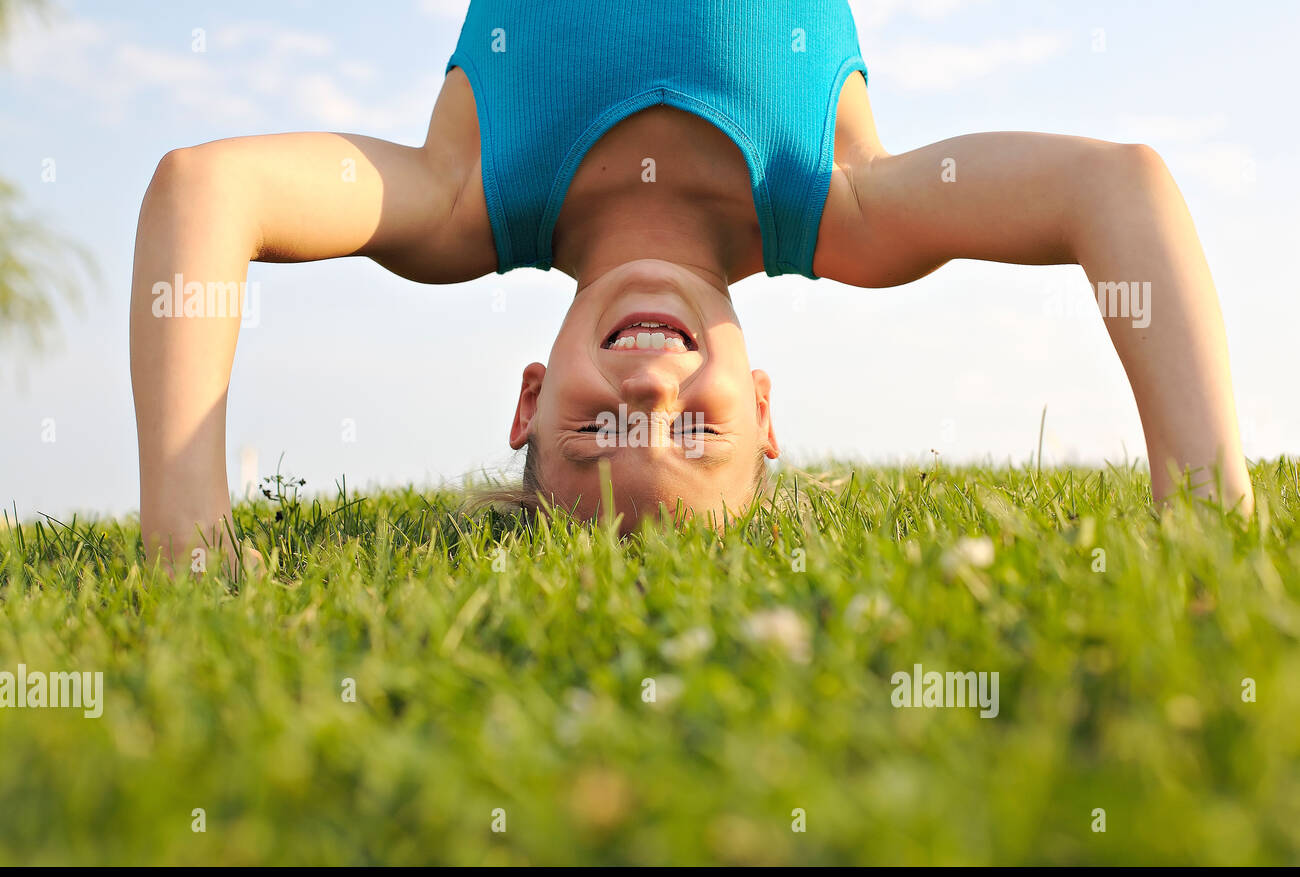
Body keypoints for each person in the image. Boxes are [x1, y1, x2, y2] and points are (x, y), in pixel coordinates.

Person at [130, 0, 1253, 571]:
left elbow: (204, 190)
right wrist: (1207, 519)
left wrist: (187, 542)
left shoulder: (460, 198)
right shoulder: (846, 206)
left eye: (597, 430)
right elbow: (1119, 187)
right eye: (697, 426)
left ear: (529, 400)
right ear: (762, 409)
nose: (653, 383)